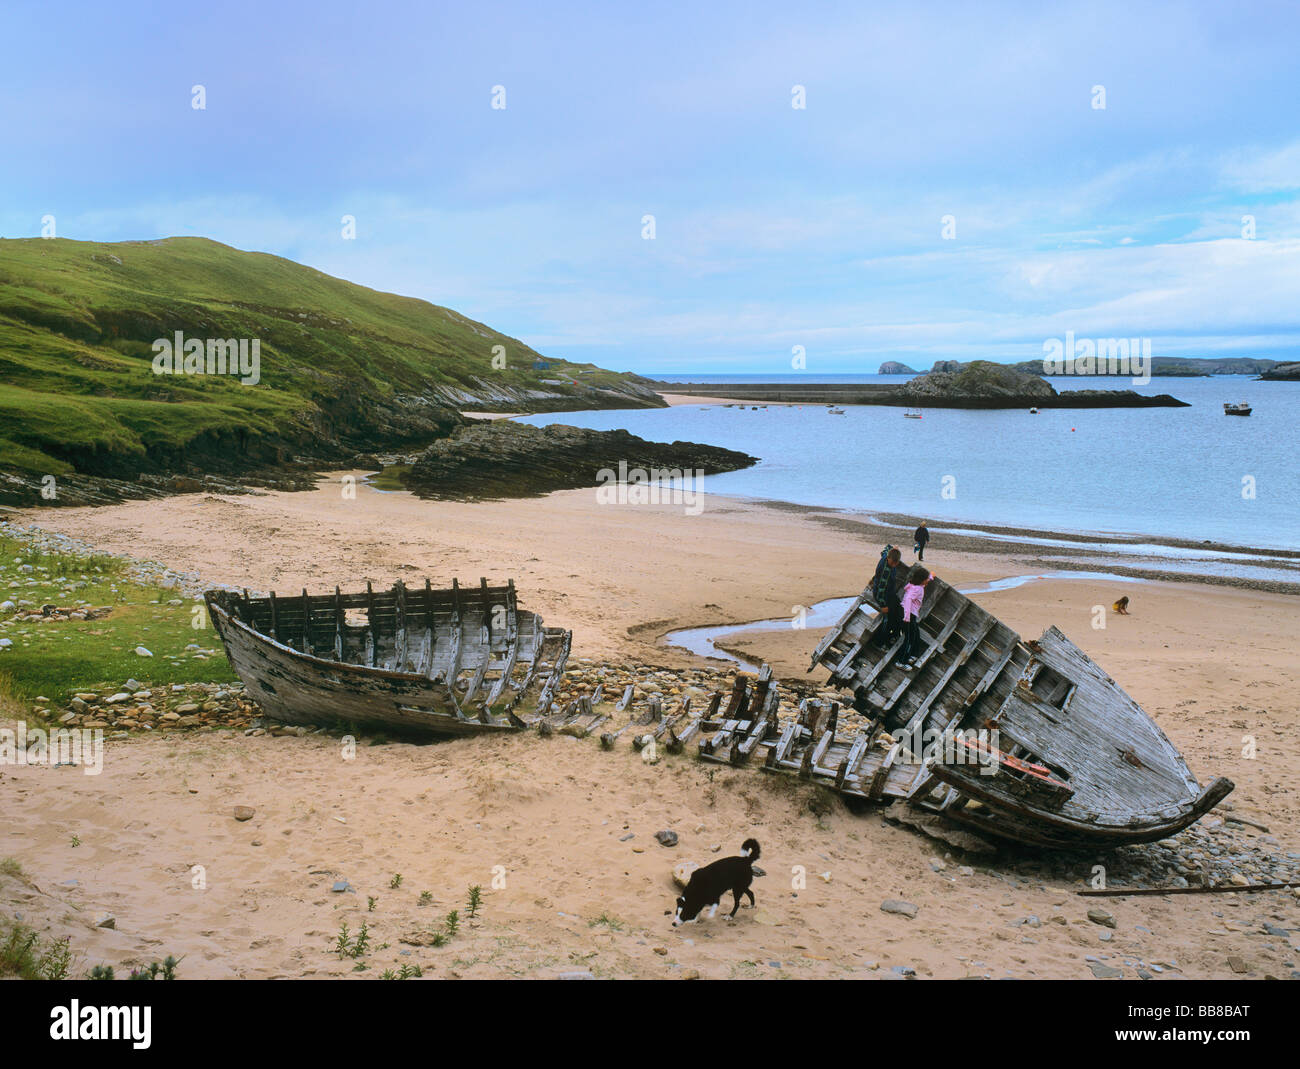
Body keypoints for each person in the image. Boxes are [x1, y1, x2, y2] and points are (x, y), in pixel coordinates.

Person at [899, 564, 937, 669]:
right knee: (909, 639)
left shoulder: (917, 586)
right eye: (926, 579)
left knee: (915, 635)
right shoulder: (917, 589)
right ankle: (901, 662)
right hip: (908, 615)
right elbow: (908, 600)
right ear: (921, 580)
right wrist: (907, 617)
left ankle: (912, 655)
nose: (927, 581)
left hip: (909, 614)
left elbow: (924, 583)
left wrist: (931, 576)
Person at [870, 546, 905, 646]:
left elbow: (886, 549)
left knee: (900, 611)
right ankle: (880, 642)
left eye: (896, 563)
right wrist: (883, 605)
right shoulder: (886, 571)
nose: (894, 565)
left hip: (890, 593)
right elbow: (880, 590)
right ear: (888, 559)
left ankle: (895, 634)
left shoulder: (886, 555)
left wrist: (894, 548)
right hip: (882, 596)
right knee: (888, 619)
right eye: (892, 563)